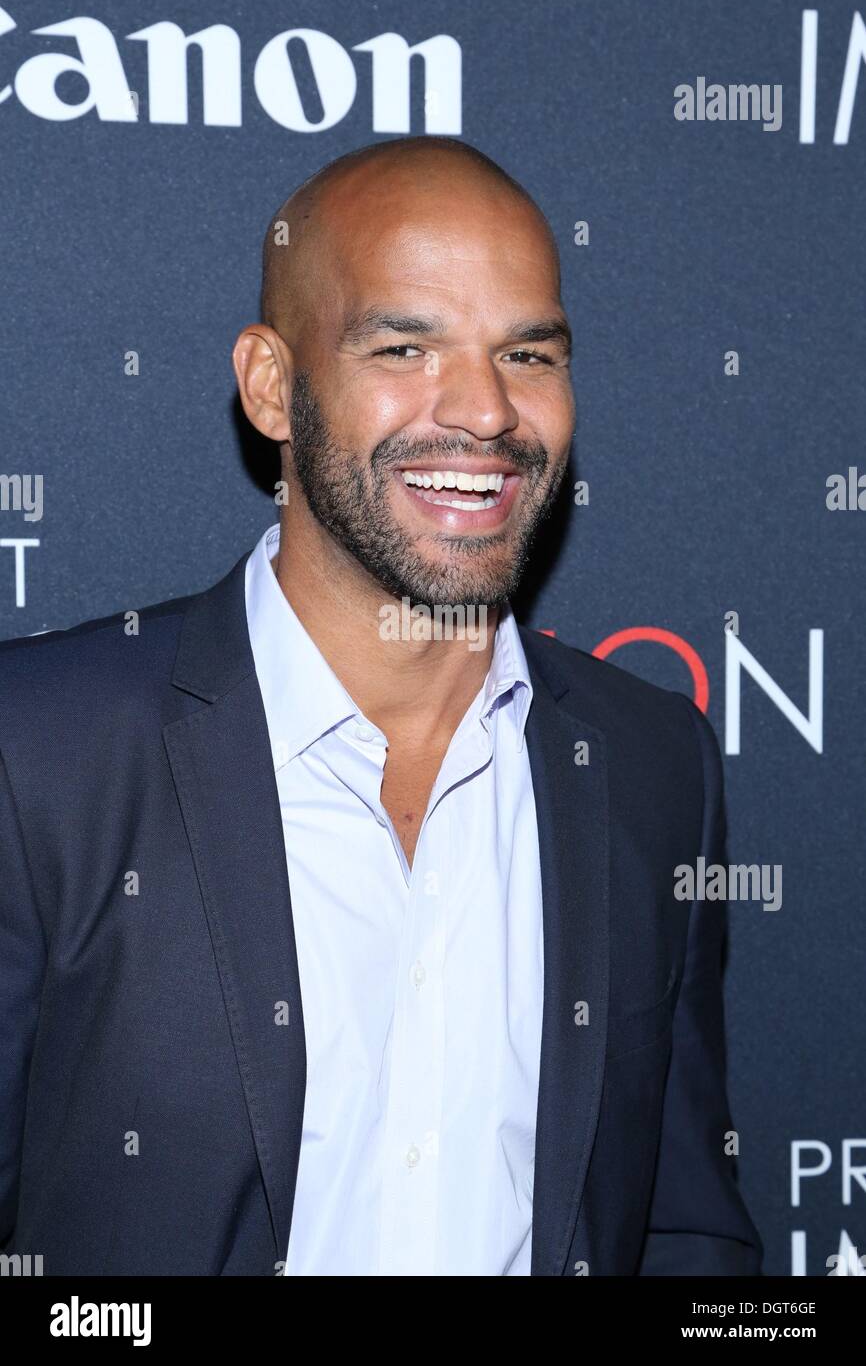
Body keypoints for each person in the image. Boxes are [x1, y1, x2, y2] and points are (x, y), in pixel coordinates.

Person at [0, 136, 762, 1276]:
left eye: (527, 353)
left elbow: (680, 1222)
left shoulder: (652, 767)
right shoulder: (40, 751)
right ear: (270, 385)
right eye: (404, 345)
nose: (485, 412)